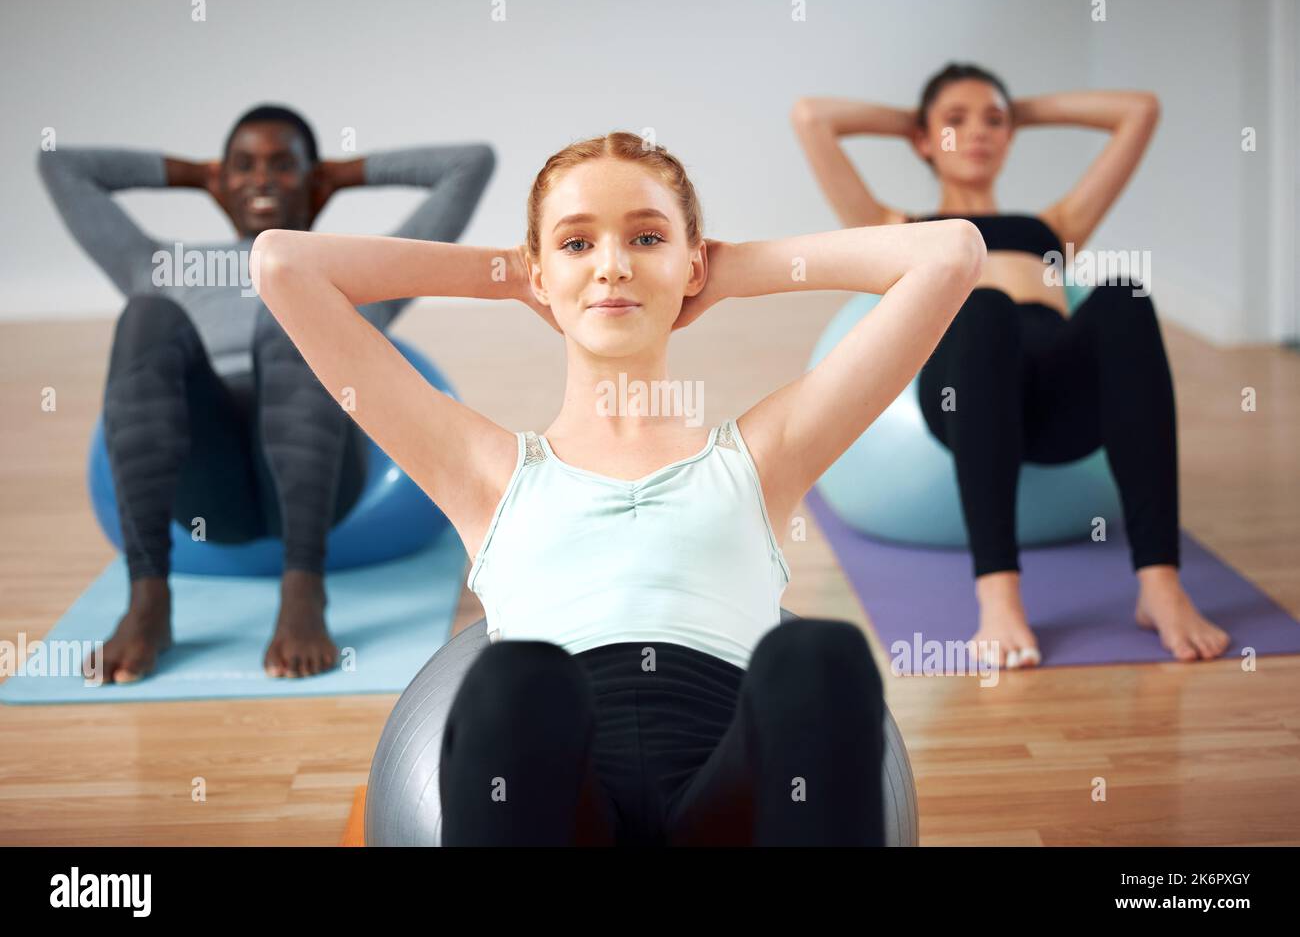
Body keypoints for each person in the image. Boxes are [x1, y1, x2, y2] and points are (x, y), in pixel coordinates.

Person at [249, 131, 983, 845]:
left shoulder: (761, 457)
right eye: (576, 243)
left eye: (645, 238)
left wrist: (729, 269)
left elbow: (951, 253)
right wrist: (504, 273)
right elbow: (283, 264)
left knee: (820, 658)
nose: (612, 266)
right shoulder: (487, 473)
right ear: (538, 272)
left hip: (731, 788)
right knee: (517, 680)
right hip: (554, 787)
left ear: (692, 263)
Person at [791, 62, 1231, 668]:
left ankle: (1160, 586)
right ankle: (999, 596)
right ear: (922, 138)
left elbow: (1140, 110)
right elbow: (813, 117)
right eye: (957, 122)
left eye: (993, 122)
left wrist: (1015, 113)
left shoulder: (1051, 227)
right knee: (987, 307)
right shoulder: (901, 230)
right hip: (963, 398)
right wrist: (923, 124)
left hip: (1058, 414)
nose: (978, 132)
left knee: (1125, 296)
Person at [39, 104, 495, 683]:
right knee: (146, 315)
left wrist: (339, 176)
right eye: (243, 166)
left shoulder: (350, 269)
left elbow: (470, 164)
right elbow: (61, 167)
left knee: (295, 298)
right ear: (221, 180)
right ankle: (148, 601)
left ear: (313, 179)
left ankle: (304, 590)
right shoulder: (164, 265)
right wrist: (196, 174)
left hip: (323, 480)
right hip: (210, 487)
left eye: (283, 166)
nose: (260, 178)